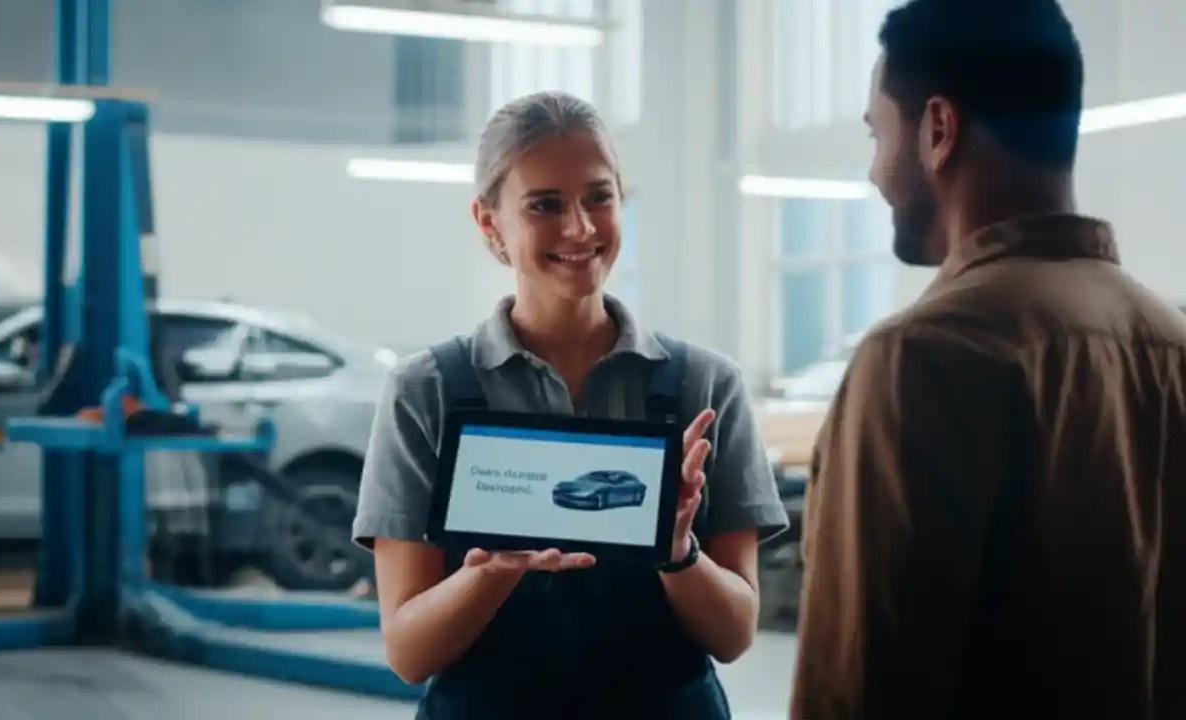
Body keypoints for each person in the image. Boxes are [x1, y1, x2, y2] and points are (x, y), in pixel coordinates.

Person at [791, 1, 1186, 718]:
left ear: (938, 130)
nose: (876, 172)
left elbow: (857, 692)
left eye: (879, 133)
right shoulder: (1170, 343)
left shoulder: (922, 358)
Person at [352, 91, 789, 720]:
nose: (580, 228)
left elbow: (735, 633)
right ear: (488, 222)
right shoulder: (428, 393)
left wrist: (677, 553)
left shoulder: (705, 389)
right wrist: (493, 571)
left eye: (599, 197)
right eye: (544, 205)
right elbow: (409, 651)